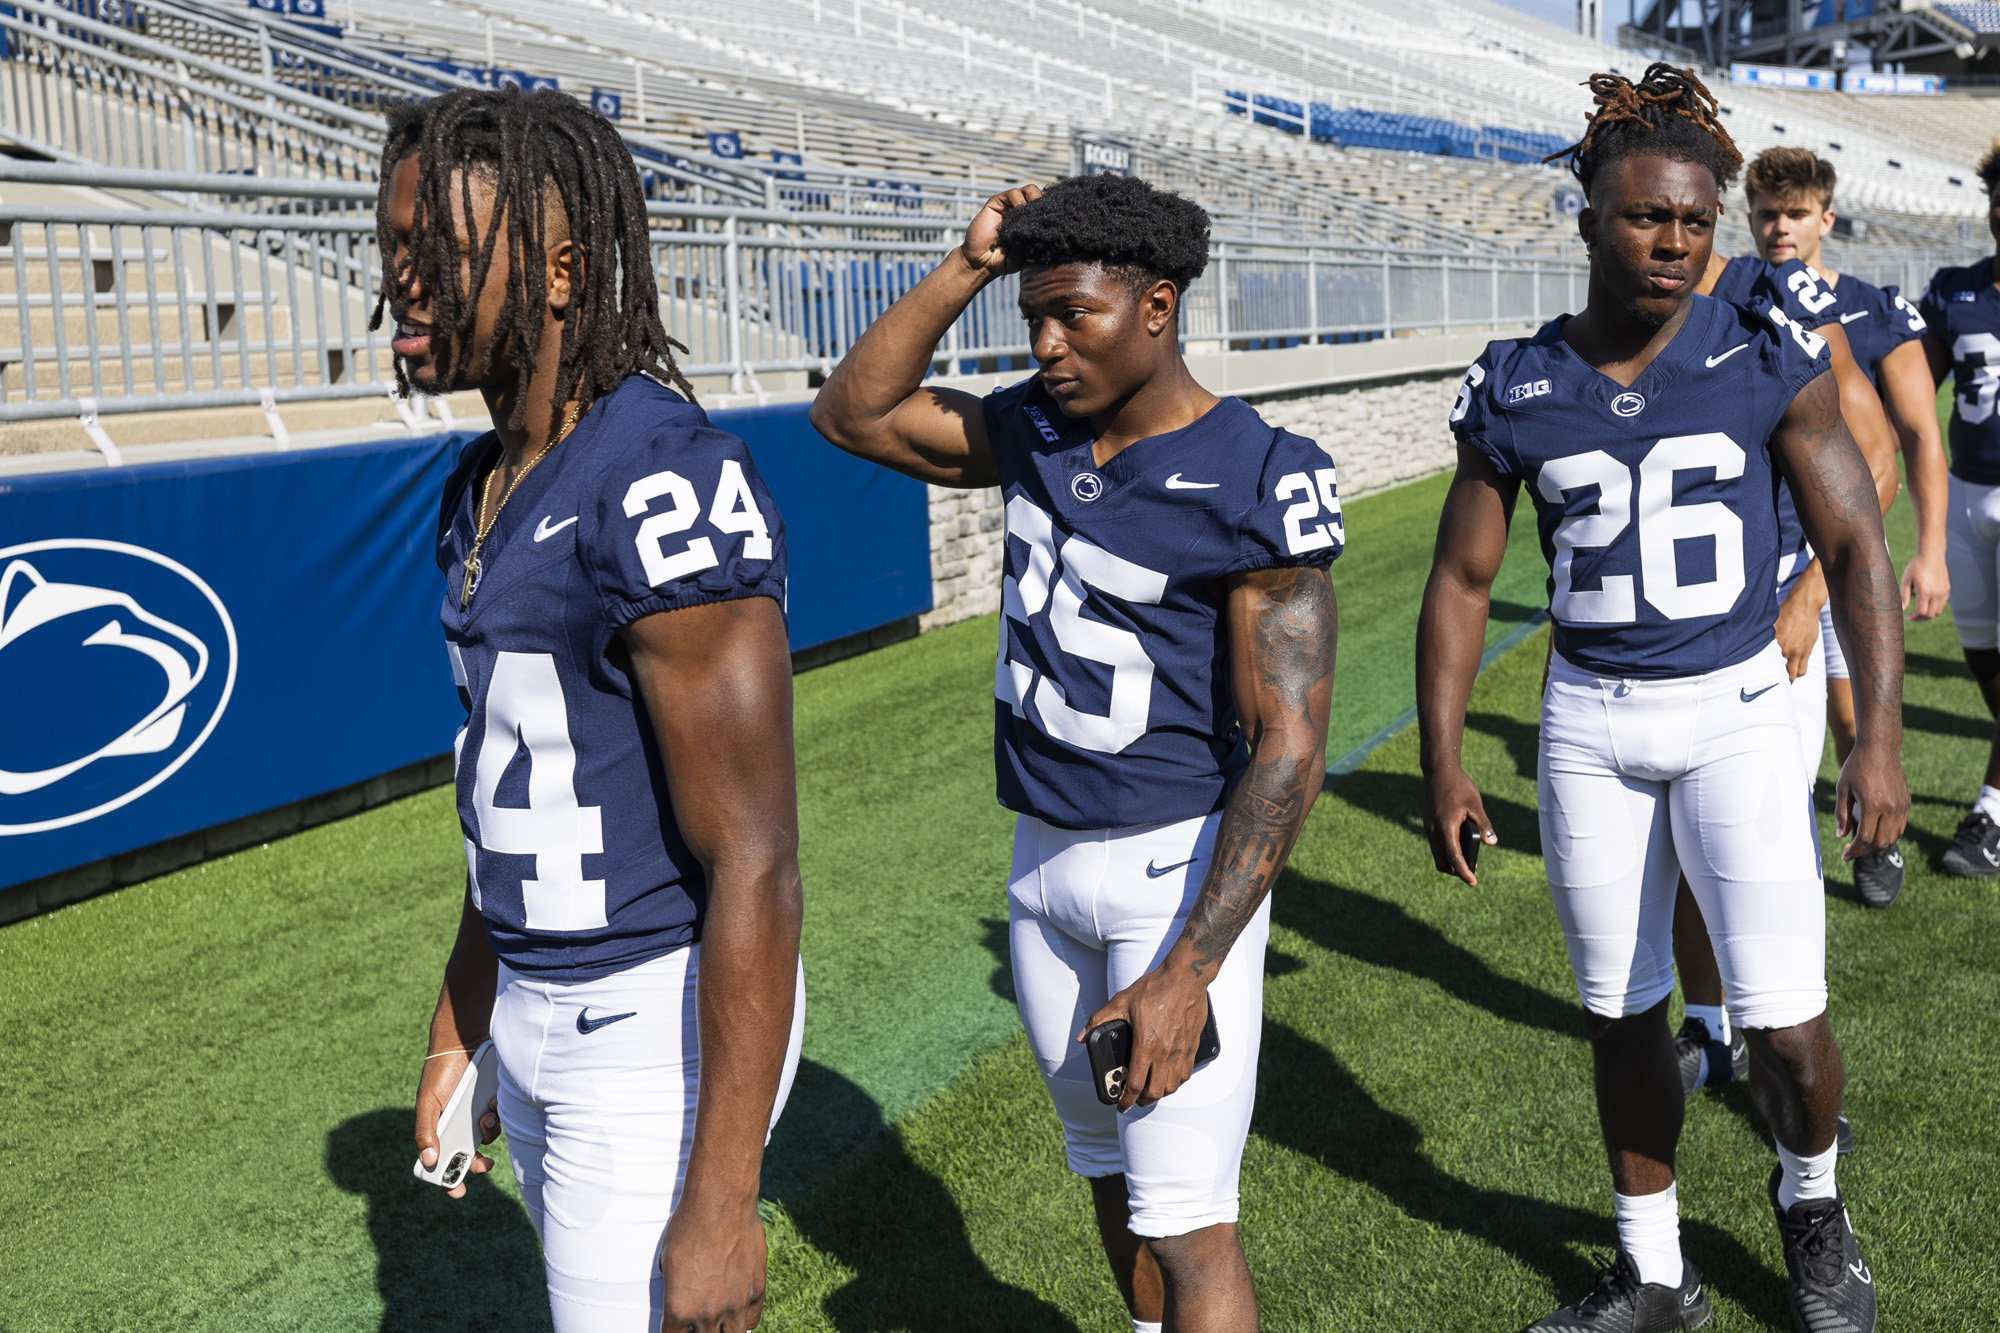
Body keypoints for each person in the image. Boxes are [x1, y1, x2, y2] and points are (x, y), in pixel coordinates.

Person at [1418, 65, 1905, 1332]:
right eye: (1645, 217)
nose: (1675, 242)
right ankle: (1652, 1268)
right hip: (1587, 718)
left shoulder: (1762, 352)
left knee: (1785, 1025)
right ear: (1586, 218)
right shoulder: (1518, 379)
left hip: (1738, 707)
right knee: (1621, 1016)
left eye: (1694, 220)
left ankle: (1809, 1198)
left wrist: (1879, 745)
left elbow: (1853, 544)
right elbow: (1461, 579)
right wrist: (1442, 758)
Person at [811, 173, 1339, 1333]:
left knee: (1189, 1219)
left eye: (1074, 317)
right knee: (1103, 1173)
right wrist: (968, 266)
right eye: (1031, 318)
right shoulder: (1037, 430)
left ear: (1157, 304)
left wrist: (1189, 965)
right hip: (1039, 858)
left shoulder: (1259, 470)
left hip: (1170, 865)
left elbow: (1288, 746)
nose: (1045, 344)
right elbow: (851, 412)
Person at [380, 87, 806, 1333]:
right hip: (538, 999)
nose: (408, 284)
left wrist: (722, 1201)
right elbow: (510, 795)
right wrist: (462, 1024)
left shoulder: (660, 479)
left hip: (654, 1016)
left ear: (563, 270)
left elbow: (759, 859)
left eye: (441, 255)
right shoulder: (480, 486)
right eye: (394, 251)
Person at [1920, 146, 2000, 878]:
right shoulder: (1958, 291)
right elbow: (1915, 388)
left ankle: (1990, 815)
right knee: (1981, 651)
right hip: (1967, 489)